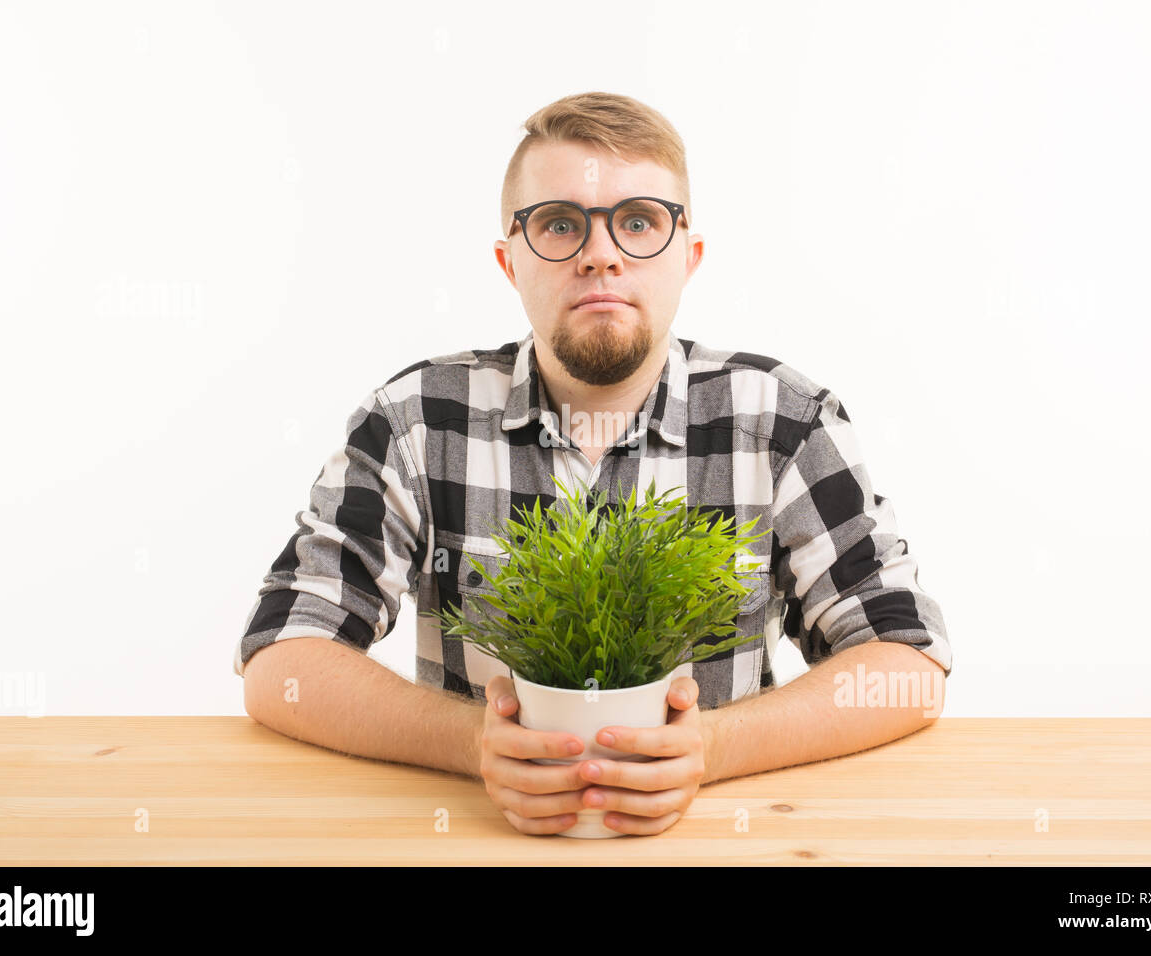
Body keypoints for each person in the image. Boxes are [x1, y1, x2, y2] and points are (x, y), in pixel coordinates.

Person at [234, 91, 952, 836]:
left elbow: (907, 663)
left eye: (638, 222)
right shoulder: (417, 420)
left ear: (688, 257)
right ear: (510, 262)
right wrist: (472, 742)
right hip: (483, 843)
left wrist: (711, 747)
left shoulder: (783, 422)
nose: (600, 253)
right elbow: (282, 659)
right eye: (559, 225)